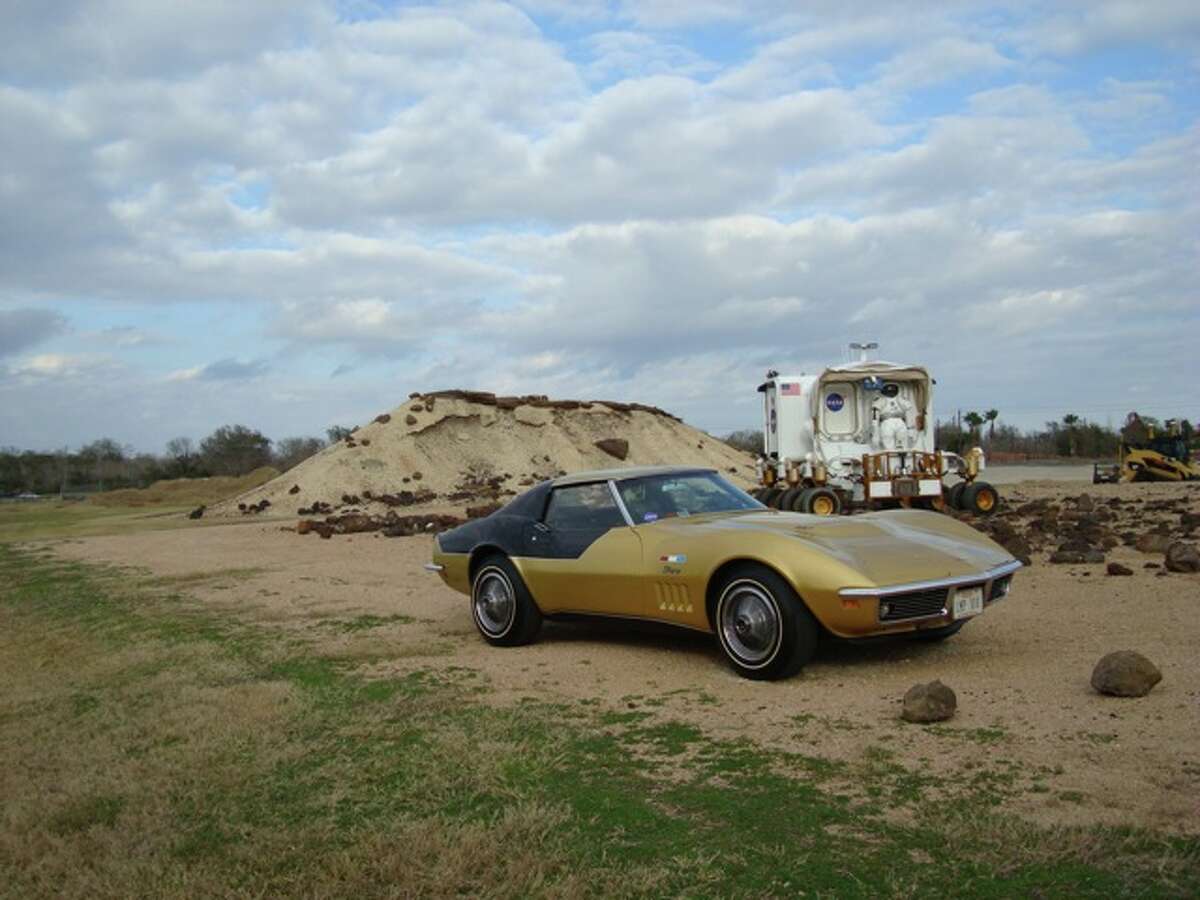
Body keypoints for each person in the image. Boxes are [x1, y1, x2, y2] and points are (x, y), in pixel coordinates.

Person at [871, 383, 914, 450]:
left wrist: (910, 429)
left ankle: (903, 456)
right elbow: (875, 418)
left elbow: (909, 413)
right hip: (886, 422)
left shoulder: (901, 400)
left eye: (892, 391)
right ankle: (891, 457)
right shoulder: (880, 401)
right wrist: (875, 433)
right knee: (888, 444)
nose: (891, 393)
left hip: (900, 422)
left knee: (902, 443)